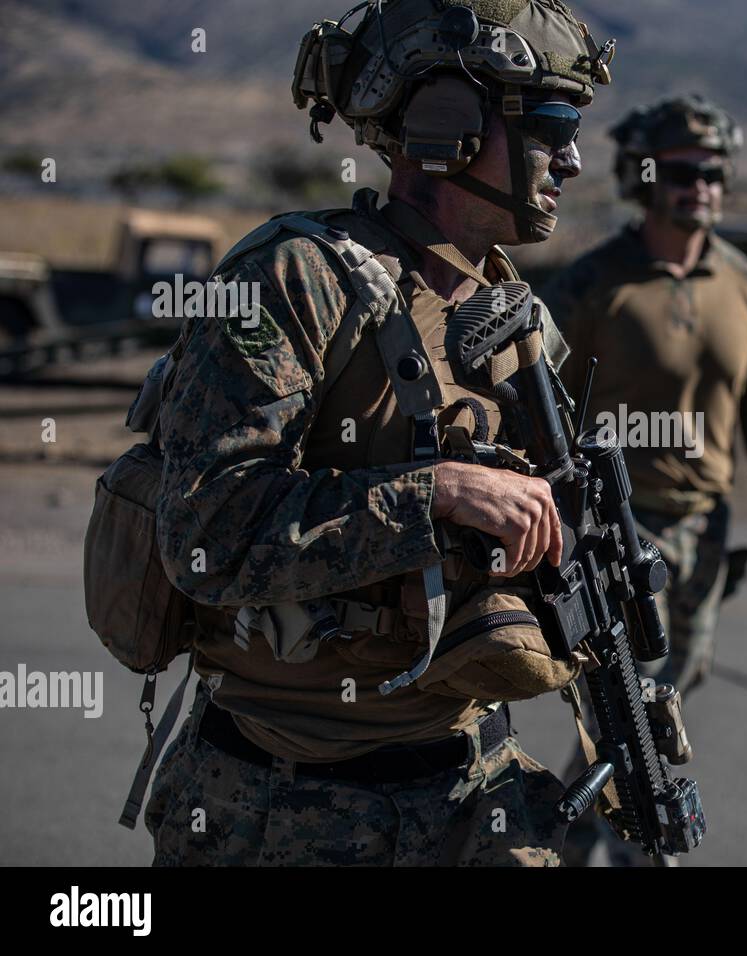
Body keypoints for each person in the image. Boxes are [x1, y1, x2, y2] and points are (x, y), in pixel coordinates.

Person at [143, 0, 615, 866]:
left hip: (469, 790)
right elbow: (204, 533)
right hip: (281, 806)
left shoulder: (517, 319)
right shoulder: (294, 280)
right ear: (450, 127)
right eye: (552, 124)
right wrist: (438, 493)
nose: (575, 161)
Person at [543, 94, 747, 702]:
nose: (700, 188)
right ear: (644, 178)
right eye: (681, 173)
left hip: (707, 529)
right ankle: (592, 801)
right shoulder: (589, 287)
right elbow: (537, 413)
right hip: (617, 530)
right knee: (627, 708)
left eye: (712, 174)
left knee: (678, 687)